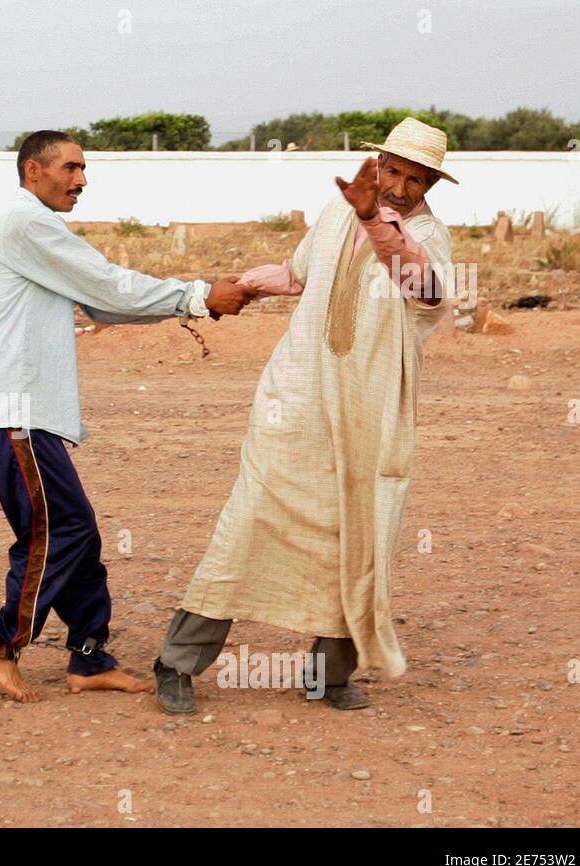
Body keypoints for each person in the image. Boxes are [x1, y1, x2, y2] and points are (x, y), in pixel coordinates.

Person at [154, 117, 458, 714]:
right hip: (295, 397)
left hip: (371, 409)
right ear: (379, 165)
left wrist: (375, 218)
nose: (398, 185)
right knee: (249, 520)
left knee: (359, 536)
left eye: (413, 178)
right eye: (392, 170)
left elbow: (419, 283)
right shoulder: (338, 209)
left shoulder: (428, 236)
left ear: (430, 185)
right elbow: (298, 274)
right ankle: (176, 662)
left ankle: (329, 676)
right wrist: (238, 287)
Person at [0, 130, 250, 703]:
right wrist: (196, 294)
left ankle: (89, 658)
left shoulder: (36, 228)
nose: (82, 180)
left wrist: (194, 301)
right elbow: (105, 283)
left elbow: (102, 304)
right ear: (32, 171)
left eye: (84, 169)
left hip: (25, 404)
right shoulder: (26, 223)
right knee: (57, 530)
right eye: (70, 168)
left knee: (78, 532)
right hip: (11, 403)